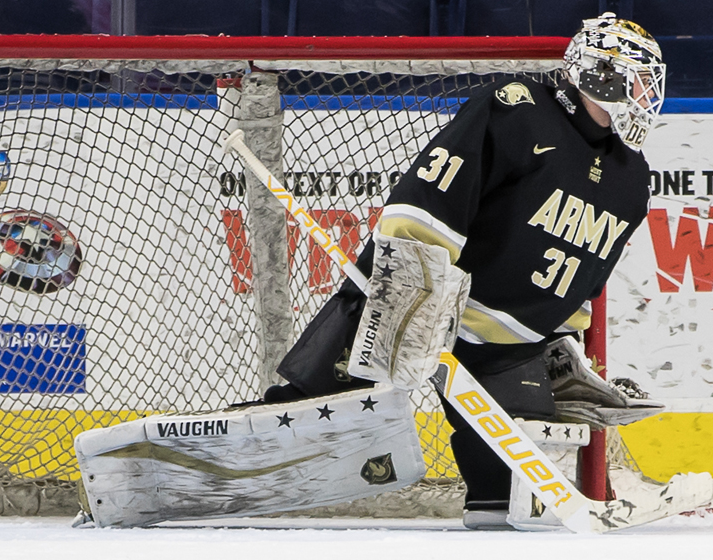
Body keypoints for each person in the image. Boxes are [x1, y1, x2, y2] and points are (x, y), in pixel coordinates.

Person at [263, 13, 668, 528]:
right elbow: (430, 199)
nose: (644, 93)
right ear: (598, 74)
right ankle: (276, 427)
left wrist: (564, 353)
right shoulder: (518, 110)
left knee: (503, 507)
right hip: (426, 301)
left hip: (509, 350)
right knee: (313, 409)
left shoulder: (632, 178)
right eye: (636, 78)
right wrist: (415, 292)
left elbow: (585, 280)